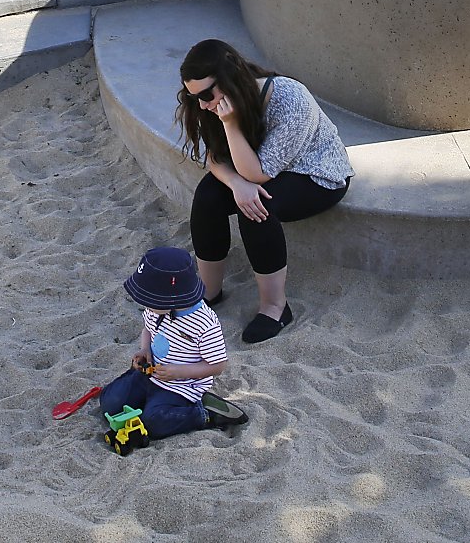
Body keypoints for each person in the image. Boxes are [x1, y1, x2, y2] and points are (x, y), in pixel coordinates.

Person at [176, 38, 352, 344]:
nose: (202, 105)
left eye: (206, 95)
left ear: (230, 79)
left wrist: (230, 125)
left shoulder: (289, 99)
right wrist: (236, 184)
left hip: (315, 172)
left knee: (257, 208)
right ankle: (209, 291)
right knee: (208, 196)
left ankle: (275, 307)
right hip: (257, 167)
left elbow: (257, 174)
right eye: (195, 98)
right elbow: (214, 157)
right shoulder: (211, 102)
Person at [97, 247, 244, 448]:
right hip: (150, 374)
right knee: (109, 404)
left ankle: (205, 414)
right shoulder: (156, 309)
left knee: (154, 422)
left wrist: (179, 372)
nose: (144, 304)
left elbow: (218, 365)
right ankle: (143, 400)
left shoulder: (204, 322)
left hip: (182, 386)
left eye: (149, 299)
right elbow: (147, 330)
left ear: (172, 298)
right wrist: (144, 350)